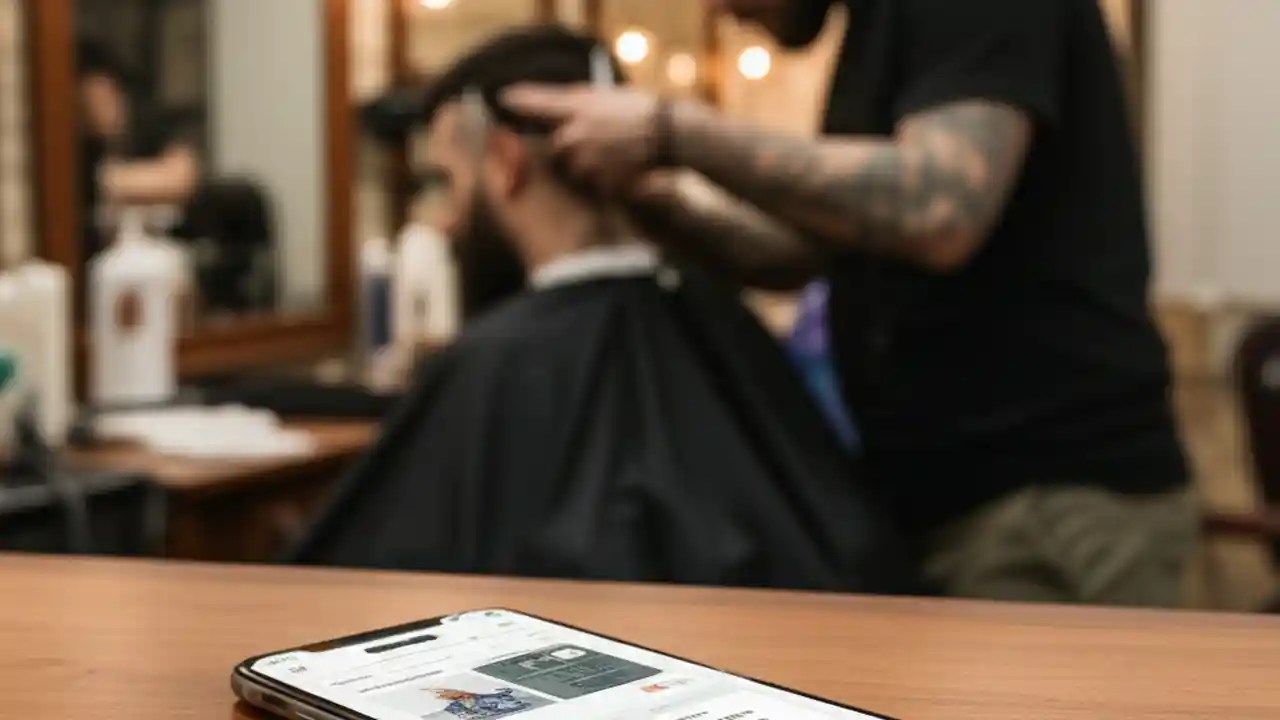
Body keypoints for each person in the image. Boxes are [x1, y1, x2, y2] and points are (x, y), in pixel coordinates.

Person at [503, 0, 1194, 606]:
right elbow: (804, 257)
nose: (716, 8)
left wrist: (673, 131)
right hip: (959, 506)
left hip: (1049, 512)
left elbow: (939, 209)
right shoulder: (877, 26)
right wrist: (659, 206)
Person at [290, 26, 911, 594]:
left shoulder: (495, 364)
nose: (448, 222)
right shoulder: (718, 322)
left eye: (451, 181)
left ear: (506, 163)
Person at [78, 40, 200, 258]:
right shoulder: (77, 148)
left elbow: (183, 177)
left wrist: (109, 182)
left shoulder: (146, 122)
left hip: (163, 248)